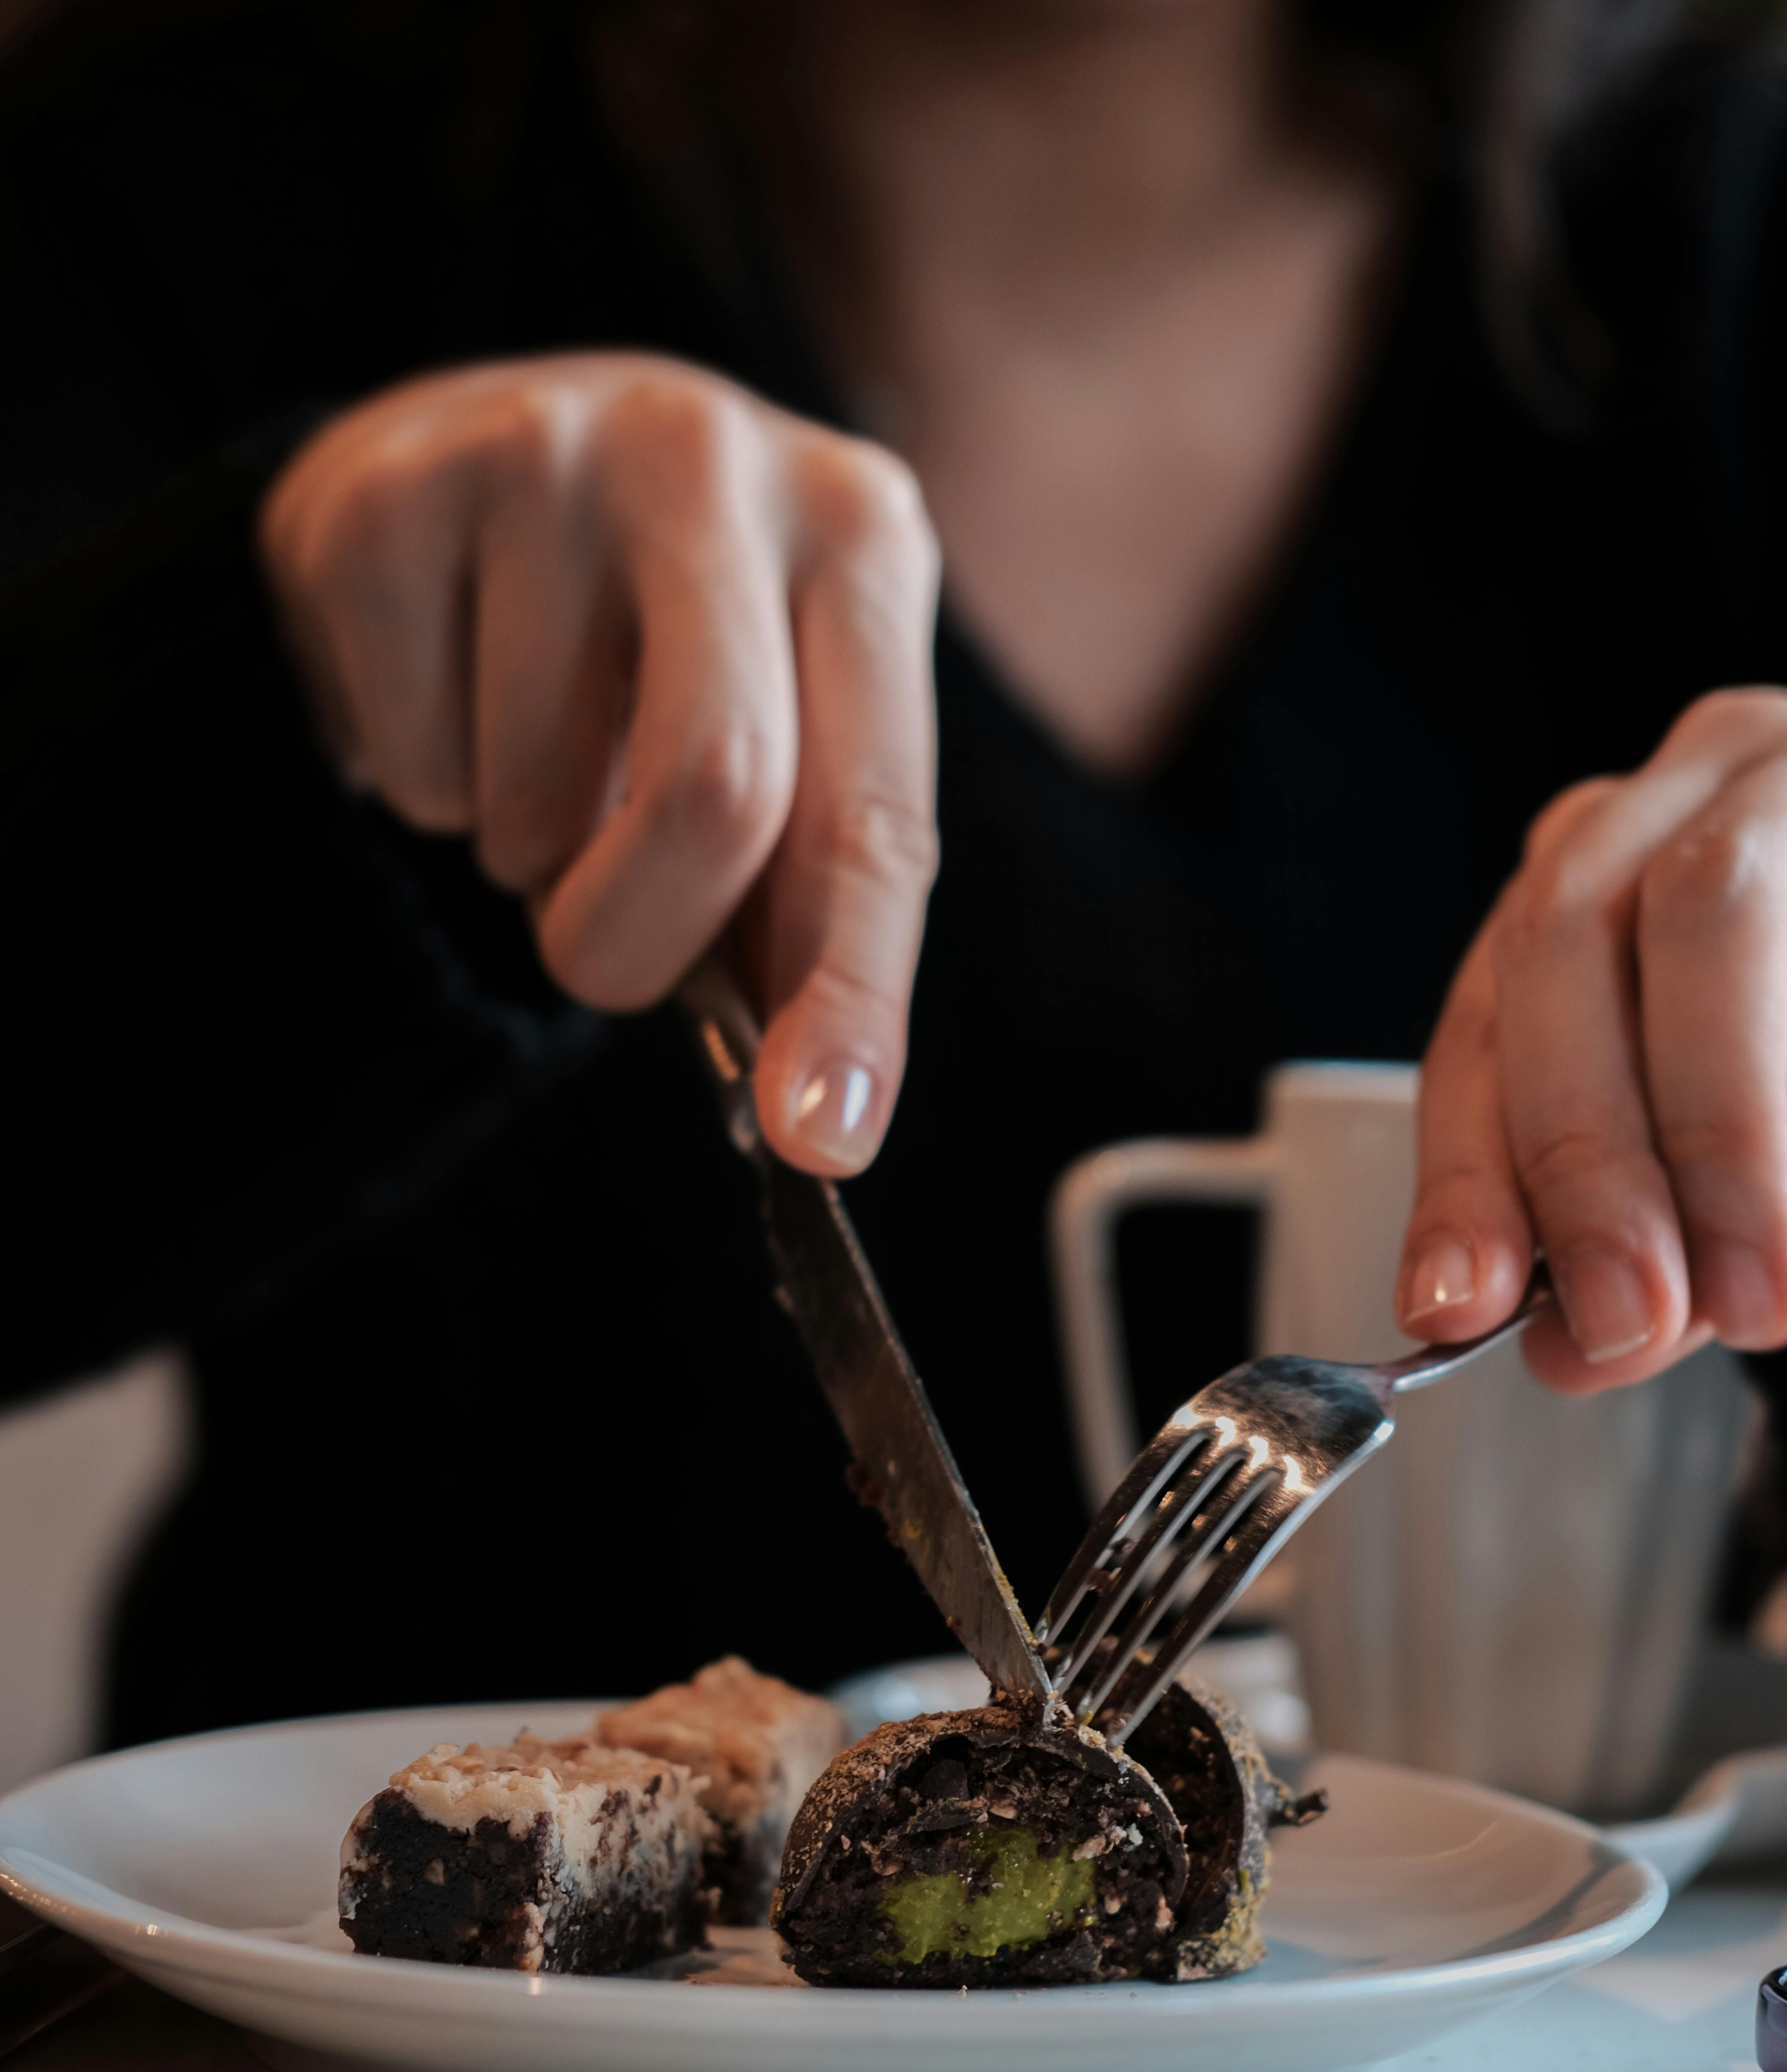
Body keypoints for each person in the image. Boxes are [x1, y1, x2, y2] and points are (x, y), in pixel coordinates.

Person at [3, 0, 1786, 1740]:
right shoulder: (195, 174)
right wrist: (263, 671)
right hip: (303, 2028)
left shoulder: (1721, 222)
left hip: (1601, 2035)